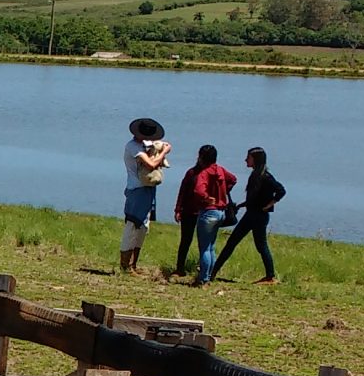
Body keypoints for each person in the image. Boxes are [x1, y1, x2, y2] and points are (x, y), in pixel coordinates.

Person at [207, 146, 286, 284]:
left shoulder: (266, 177)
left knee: (236, 243)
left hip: (257, 216)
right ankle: (269, 276)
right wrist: (241, 205)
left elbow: (281, 191)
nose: (245, 160)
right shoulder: (256, 175)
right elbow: (255, 199)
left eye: (248, 157)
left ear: (255, 159)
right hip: (252, 214)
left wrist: (268, 206)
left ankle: (212, 273)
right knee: (254, 245)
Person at [169, 144, 235, 280]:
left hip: (205, 211)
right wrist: (178, 209)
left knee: (206, 246)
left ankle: (203, 274)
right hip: (191, 211)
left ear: (201, 157)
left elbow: (231, 180)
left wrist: (214, 195)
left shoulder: (206, 173)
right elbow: (183, 191)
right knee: (192, 242)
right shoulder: (193, 173)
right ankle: (182, 268)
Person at [118, 117, 169, 273]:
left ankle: (133, 264)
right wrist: (164, 152)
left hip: (147, 188)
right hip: (137, 189)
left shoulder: (144, 145)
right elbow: (151, 164)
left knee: (143, 227)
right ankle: (125, 265)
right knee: (133, 225)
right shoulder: (133, 147)